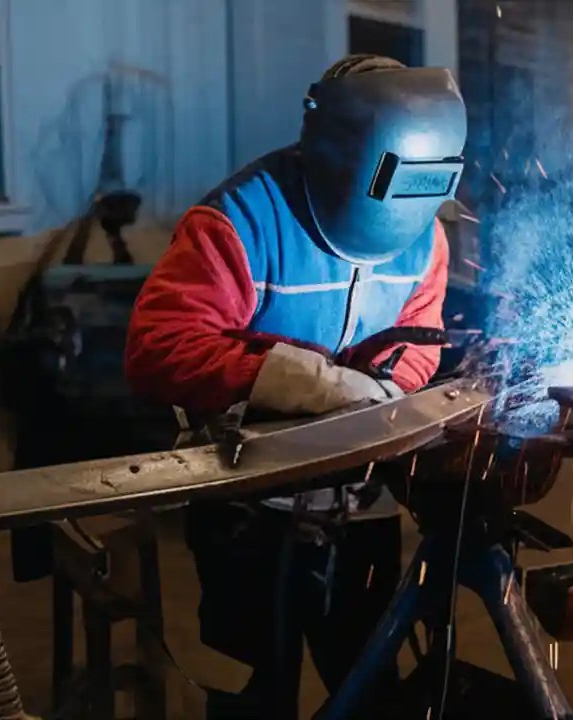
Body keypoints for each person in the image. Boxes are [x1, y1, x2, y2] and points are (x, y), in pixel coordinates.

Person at [124, 54, 467, 718]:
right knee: (253, 698)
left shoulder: (425, 237)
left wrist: (384, 396)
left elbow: (419, 339)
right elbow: (157, 348)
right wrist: (300, 381)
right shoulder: (239, 220)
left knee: (369, 690)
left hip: (361, 508)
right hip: (246, 509)